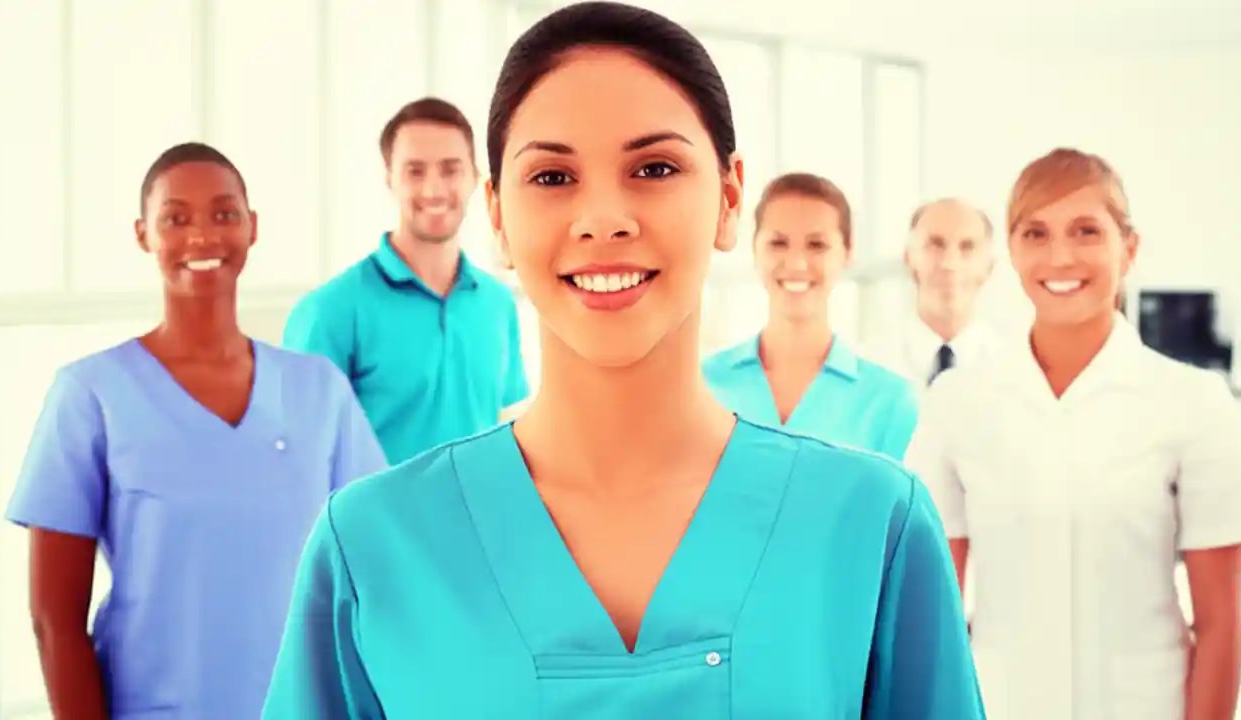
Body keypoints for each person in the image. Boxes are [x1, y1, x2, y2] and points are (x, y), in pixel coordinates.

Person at [261, 3, 982, 718]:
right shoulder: (370, 548)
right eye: (552, 177)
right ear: (498, 217)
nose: (604, 218)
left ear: (730, 199)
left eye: (655, 167)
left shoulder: (873, 528)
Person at [5, 142, 388, 720]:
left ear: (252, 227)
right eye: (176, 218)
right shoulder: (91, 394)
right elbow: (53, 619)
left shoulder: (319, 391)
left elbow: (370, 574)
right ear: (143, 234)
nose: (203, 236)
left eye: (224, 214)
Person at [905, 147, 1241, 719]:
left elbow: (1221, 626)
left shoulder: (1194, 404)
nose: (1060, 256)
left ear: (1129, 247)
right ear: (1012, 251)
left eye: (1086, 231)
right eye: (1036, 233)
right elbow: (932, 614)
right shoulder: (957, 403)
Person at [282, 97, 529, 464]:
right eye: (415, 171)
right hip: (370, 505)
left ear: (475, 178)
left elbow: (508, 428)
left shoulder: (498, 304)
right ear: (389, 179)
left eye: (450, 170)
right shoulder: (328, 312)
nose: (433, 190)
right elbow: (300, 457)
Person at [703, 173, 919, 459]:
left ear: (847, 253)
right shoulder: (702, 385)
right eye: (778, 243)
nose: (796, 263)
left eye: (817, 245)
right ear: (754, 250)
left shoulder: (890, 401)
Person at [863, 198, 999, 390]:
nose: (949, 263)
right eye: (935, 245)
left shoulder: (1017, 371)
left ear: (989, 266)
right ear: (908, 259)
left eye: (967, 247)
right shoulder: (866, 365)